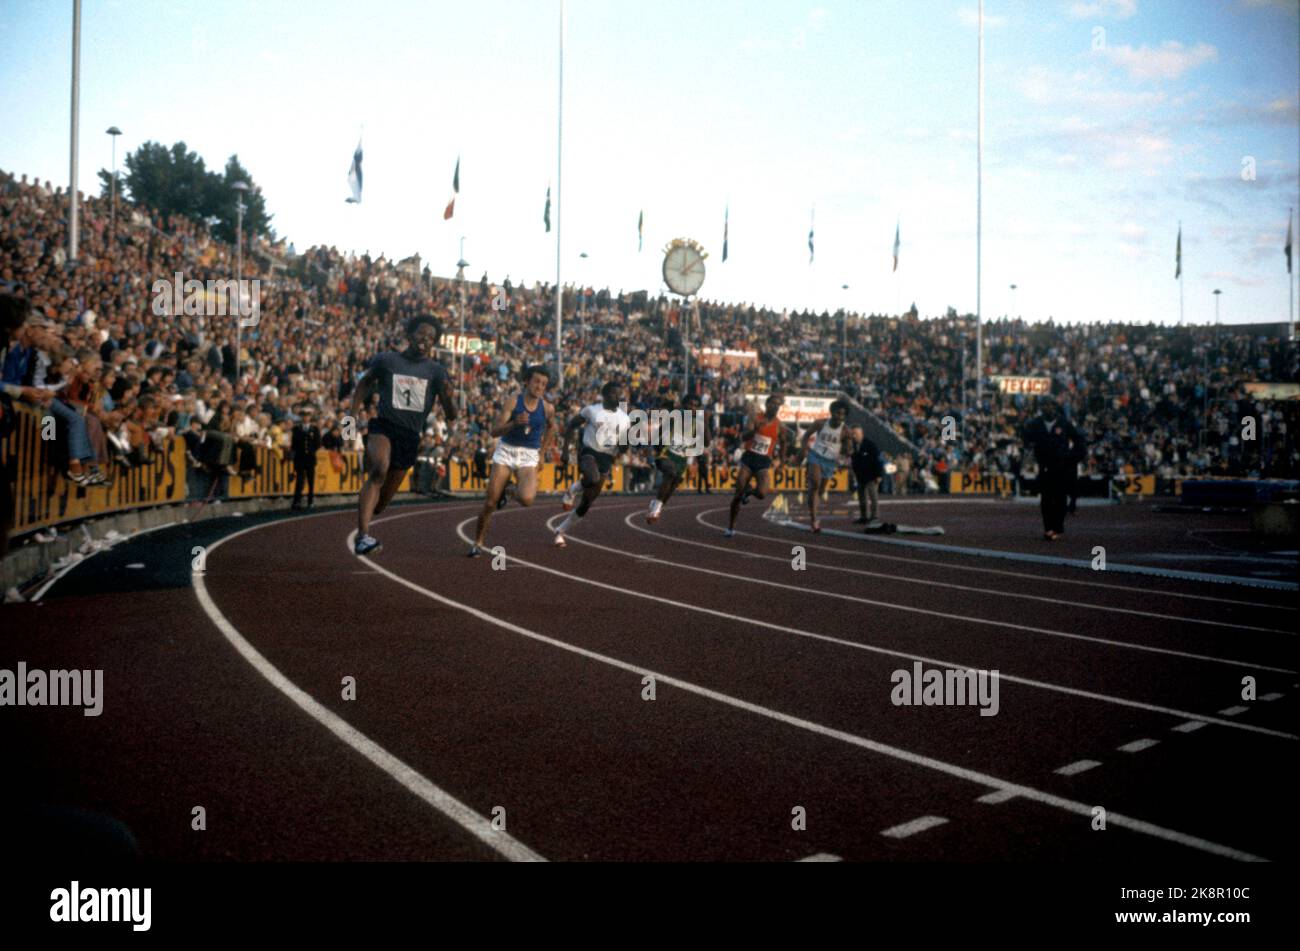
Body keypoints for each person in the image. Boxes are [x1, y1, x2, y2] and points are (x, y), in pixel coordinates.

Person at [351, 315, 457, 555]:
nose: (425, 339)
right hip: (384, 426)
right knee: (378, 469)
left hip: (410, 436)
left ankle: (367, 513)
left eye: (431, 337)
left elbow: (452, 414)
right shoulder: (387, 360)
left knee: (381, 505)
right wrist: (351, 415)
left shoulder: (437, 371)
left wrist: (449, 397)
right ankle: (362, 536)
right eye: (421, 333)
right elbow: (363, 385)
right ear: (410, 335)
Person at [469, 364, 557, 556]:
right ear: (527, 381)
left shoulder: (548, 408)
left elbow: (552, 428)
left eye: (543, 384)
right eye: (536, 382)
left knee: (527, 499)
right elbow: (494, 431)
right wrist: (514, 423)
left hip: (529, 455)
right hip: (506, 451)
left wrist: (542, 454)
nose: (540, 387)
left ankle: (507, 491)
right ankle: (478, 542)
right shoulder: (513, 401)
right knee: (490, 503)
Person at [553, 380, 630, 547]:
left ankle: (560, 531)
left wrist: (626, 442)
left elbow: (623, 448)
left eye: (619, 394)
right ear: (605, 395)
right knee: (593, 477)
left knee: (587, 502)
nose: (617, 397)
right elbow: (571, 426)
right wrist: (565, 451)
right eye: (614, 393)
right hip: (589, 452)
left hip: (607, 458)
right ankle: (573, 489)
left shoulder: (625, 419)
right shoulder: (592, 410)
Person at [725, 393, 795, 537]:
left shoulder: (779, 425)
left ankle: (748, 492)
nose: (775, 406)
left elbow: (783, 444)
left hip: (764, 460)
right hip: (749, 457)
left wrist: (782, 464)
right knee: (738, 492)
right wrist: (754, 430)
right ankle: (731, 527)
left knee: (762, 493)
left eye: (778, 405)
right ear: (767, 404)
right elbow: (743, 437)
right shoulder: (755, 417)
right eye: (772, 403)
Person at [1022, 394, 1086, 541]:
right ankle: (1049, 528)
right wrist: (1030, 447)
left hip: (1062, 466)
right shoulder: (1035, 424)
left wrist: (1073, 457)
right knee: (1045, 500)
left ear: (1055, 407)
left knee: (1060, 499)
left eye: (1050, 405)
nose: (1048, 408)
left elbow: (1078, 440)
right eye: (1045, 405)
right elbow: (1026, 438)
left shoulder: (1064, 423)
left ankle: (1057, 526)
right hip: (1044, 467)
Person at [646, 393, 703, 524]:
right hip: (666, 453)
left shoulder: (698, 424)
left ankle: (656, 504)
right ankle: (655, 508)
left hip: (681, 459)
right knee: (670, 472)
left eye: (696, 406)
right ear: (684, 405)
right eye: (690, 405)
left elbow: (707, 441)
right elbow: (660, 431)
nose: (692, 408)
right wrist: (656, 447)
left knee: (672, 486)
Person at [802, 398, 852, 533]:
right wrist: (805, 451)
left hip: (830, 461)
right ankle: (814, 519)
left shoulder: (846, 431)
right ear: (831, 412)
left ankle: (814, 505)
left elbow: (848, 449)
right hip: (816, 456)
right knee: (815, 484)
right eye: (837, 413)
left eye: (842, 414)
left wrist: (847, 453)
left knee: (821, 490)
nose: (839, 416)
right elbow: (805, 436)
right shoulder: (820, 423)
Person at [850, 426, 884, 525]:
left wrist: (879, 475)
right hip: (861, 476)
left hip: (872, 475)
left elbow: (878, 460)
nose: (853, 436)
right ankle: (864, 516)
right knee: (862, 497)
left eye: (855, 433)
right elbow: (854, 461)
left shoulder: (870, 445)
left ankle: (874, 516)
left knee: (873, 496)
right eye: (853, 433)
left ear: (861, 434)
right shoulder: (854, 445)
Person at [290, 406, 321, 510]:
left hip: (310, 458)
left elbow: (317, 443)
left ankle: (310, 500)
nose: (306, 418)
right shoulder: (296, 429)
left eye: (307, 416)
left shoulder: (315, 429)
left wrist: (311, 450)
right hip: (300, 457)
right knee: (299, 480)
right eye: (304, 416)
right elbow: (294, 444)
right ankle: (297, 501)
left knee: (311, 480)